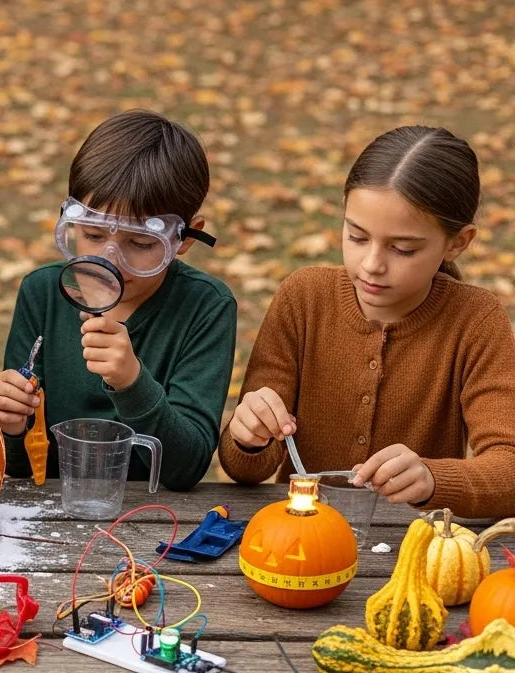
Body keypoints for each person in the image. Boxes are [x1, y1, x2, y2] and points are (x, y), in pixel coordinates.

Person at [221, 126, 515, 515]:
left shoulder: (476, 320)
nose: (372, 264)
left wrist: (432, 479)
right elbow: (246, 469)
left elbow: (508, 469)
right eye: (357, 237)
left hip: (416, 542)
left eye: (403, 249)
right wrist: (248, 438)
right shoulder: (303, 298)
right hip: (303, 533)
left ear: (458, 242)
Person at [0, 110, 235, 490]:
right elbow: (20, 469)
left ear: (185, 238)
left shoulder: (206, 308)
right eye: (92, 234)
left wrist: (132, 382)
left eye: (140, 243)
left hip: (152, 513)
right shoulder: (42, 293)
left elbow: (185, 469)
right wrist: (12, 424)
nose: (110, 261)